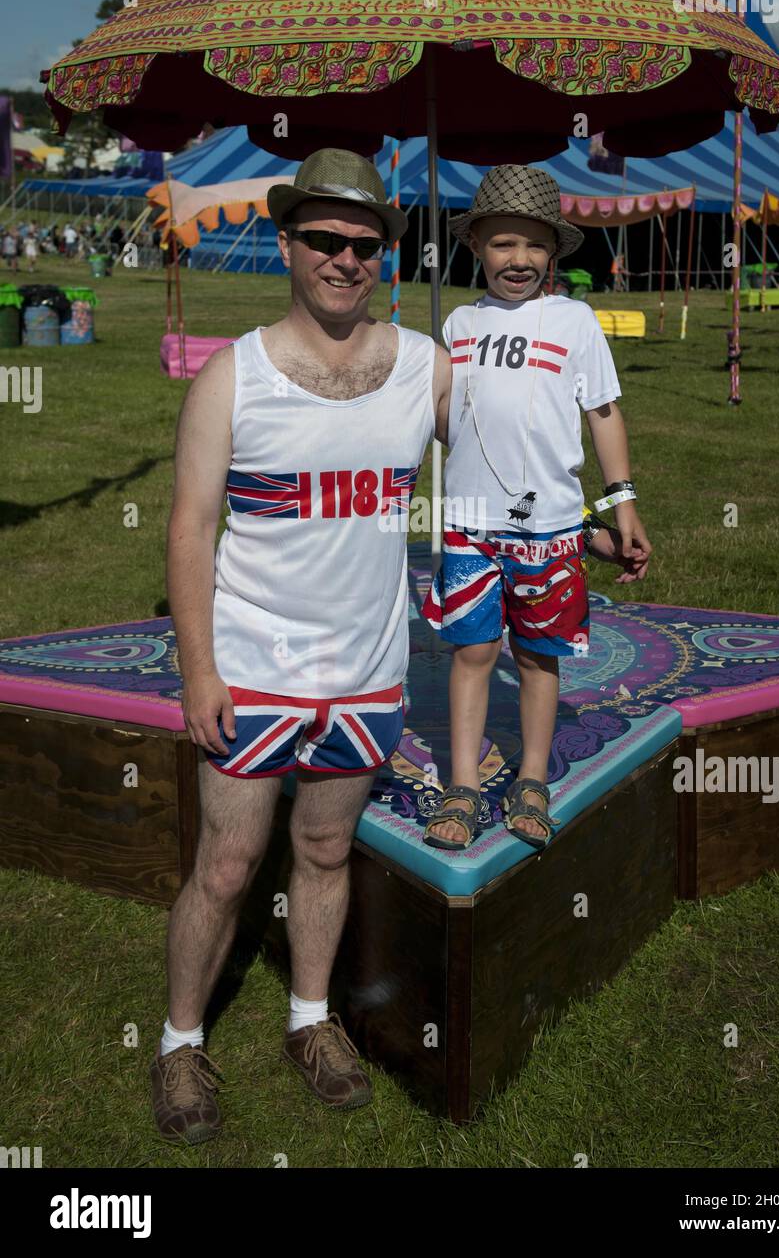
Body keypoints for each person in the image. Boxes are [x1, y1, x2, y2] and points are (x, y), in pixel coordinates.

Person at [154, 148, 451, 1144]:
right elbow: (191, 527)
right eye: (323, 238)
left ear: (385, 256)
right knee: (229, 864)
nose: (343, 258)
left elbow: (509, 457)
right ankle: (179, 1038)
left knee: (324, 848)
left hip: (365, 672)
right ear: (286, 244)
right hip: (252, 665)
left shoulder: (423, 368)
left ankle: (308, 1020)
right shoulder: (231, 378)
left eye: (364, 244)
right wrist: (200, 669)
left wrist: (597, 509)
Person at [420, 165, 652, 851]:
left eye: (532, 246)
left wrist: (620, 504)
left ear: (554, 252)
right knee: (471, 652)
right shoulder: (458, 324)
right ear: (475, 248)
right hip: (467, 525)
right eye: (501, 244)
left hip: (549, 532)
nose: (517, 260)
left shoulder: (576, 321)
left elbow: (603, 413)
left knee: (536, 658)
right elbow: (445, 419)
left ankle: (530, 779)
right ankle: (462, 783)